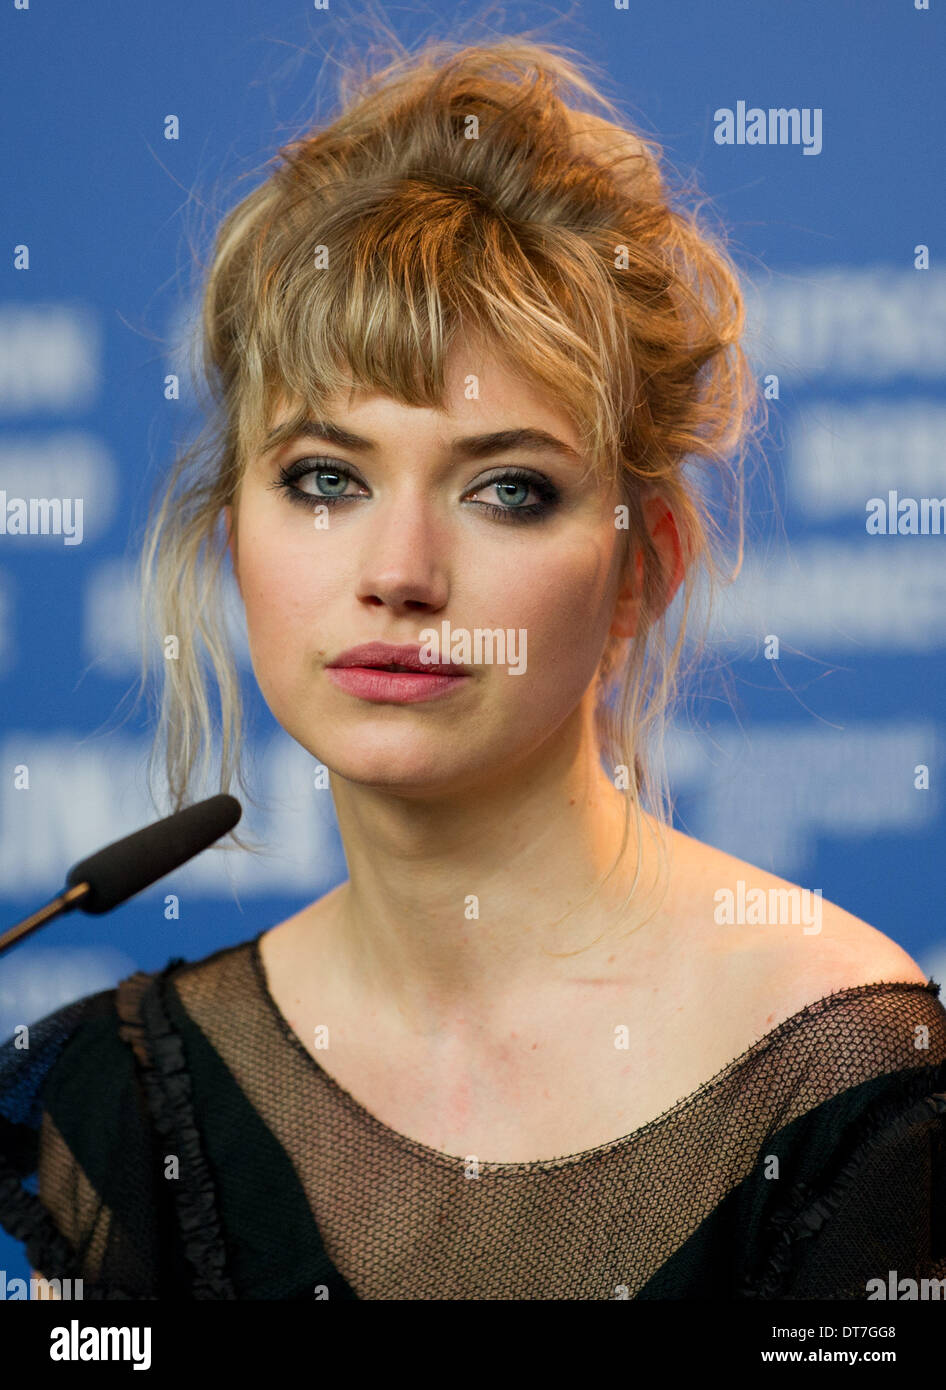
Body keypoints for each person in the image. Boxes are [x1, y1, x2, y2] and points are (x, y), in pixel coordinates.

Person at [2, 38, 945, 1302]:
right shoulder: (112, 1097)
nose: (400, 571)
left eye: (507, 489)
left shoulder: (846, 1080)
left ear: (642, 563)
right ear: (233, 531)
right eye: (325, 479)